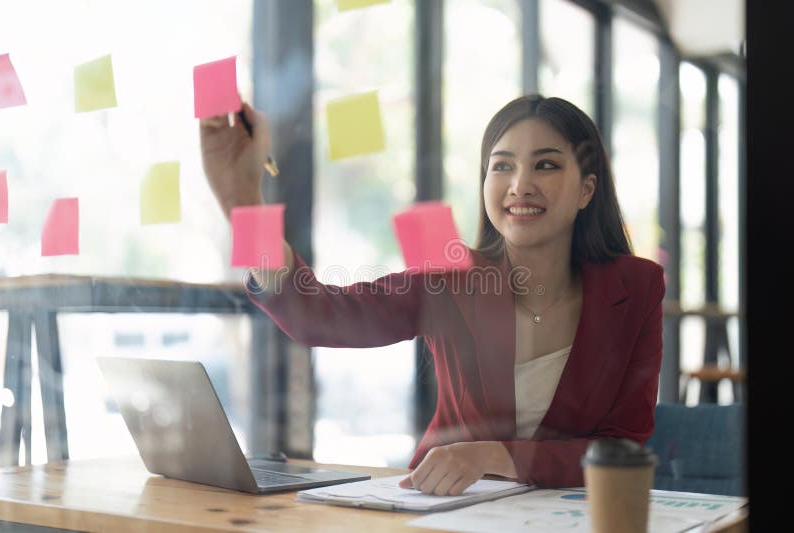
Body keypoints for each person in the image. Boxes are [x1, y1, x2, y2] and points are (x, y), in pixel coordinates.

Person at [200, 94, 664, 495]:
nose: (520, 184)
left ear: (586, 189)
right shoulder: (451, 278)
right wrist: (242, 198)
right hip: (441, 512)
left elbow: (622, 446)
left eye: (545, 164)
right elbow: (316, 315)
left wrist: (497, 456)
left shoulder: (635, 288)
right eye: (502, 165)